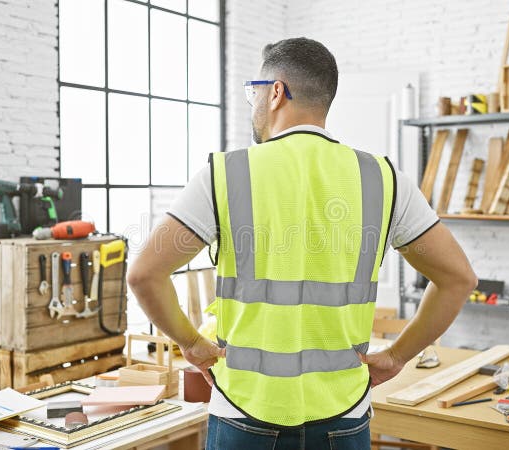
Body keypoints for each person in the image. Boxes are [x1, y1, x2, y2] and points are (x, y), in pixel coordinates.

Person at [128, 37, 476, 450]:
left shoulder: (225, 174)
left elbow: (144, 274)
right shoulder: (384, 179)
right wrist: (398, 357)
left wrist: (192, 344)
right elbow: (459, 279)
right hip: (343, 414)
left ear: (276, 92)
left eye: (253, 91)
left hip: (243, 411)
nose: (252, 102)